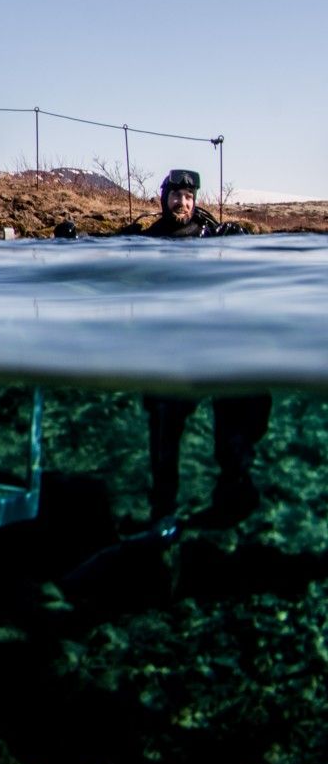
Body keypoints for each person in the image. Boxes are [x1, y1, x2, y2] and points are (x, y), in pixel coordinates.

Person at [132, 169, 265, 540]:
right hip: (168, 355)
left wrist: (240, 240)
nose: (183, 203)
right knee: (164, 434)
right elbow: (104, 247)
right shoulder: (148, 238)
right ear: (164, 198)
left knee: (238, 415)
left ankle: (234, 494)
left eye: (189, 197)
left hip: (211, 348)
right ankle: (163, 513)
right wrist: (71, 238)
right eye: (176, 195)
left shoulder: (212, 235)